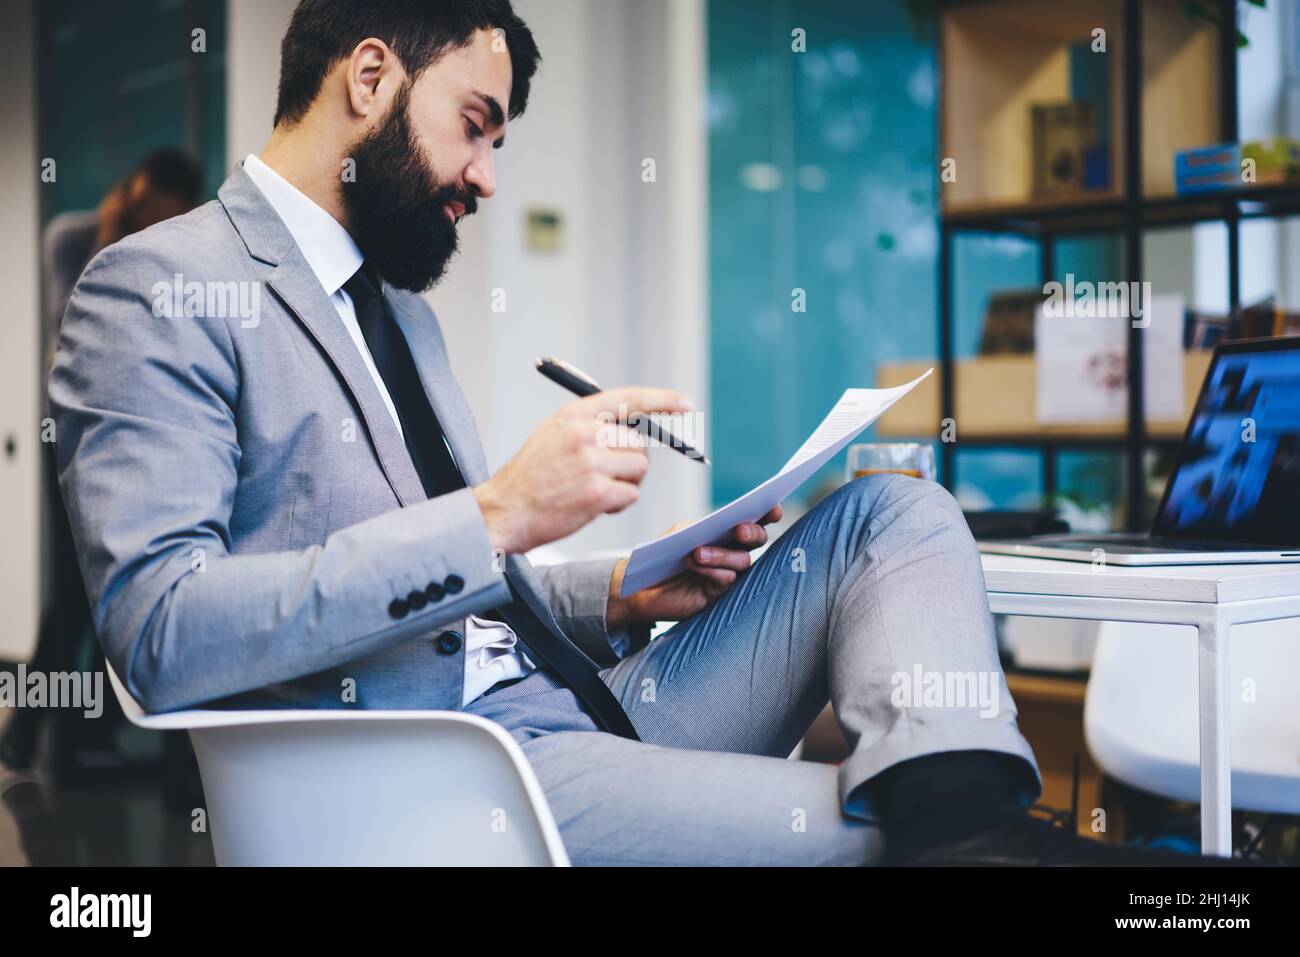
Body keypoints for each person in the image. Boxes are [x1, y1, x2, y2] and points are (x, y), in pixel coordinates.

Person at [47, 0, 1206, 865]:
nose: (487, 176)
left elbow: (454, 590)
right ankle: (963, 832)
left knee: (889, 514)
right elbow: (162, 632)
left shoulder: (394, 303)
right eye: (477, 125)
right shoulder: (156, 285)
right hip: (451, 769)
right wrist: (501, 509)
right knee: (881, 838)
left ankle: (955, 795)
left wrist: (615, 592)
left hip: (585, 704)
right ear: (367, 78)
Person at [1, 149, 202, 772]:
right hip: (66, 437)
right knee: (72, 592)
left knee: (117, 588)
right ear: (140, 190)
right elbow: (76, 325)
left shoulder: (170, 250)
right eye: (160, 206)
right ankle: (27, 735)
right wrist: (119, 240)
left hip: (135, 435)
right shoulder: (74, 237)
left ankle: (85, 732)